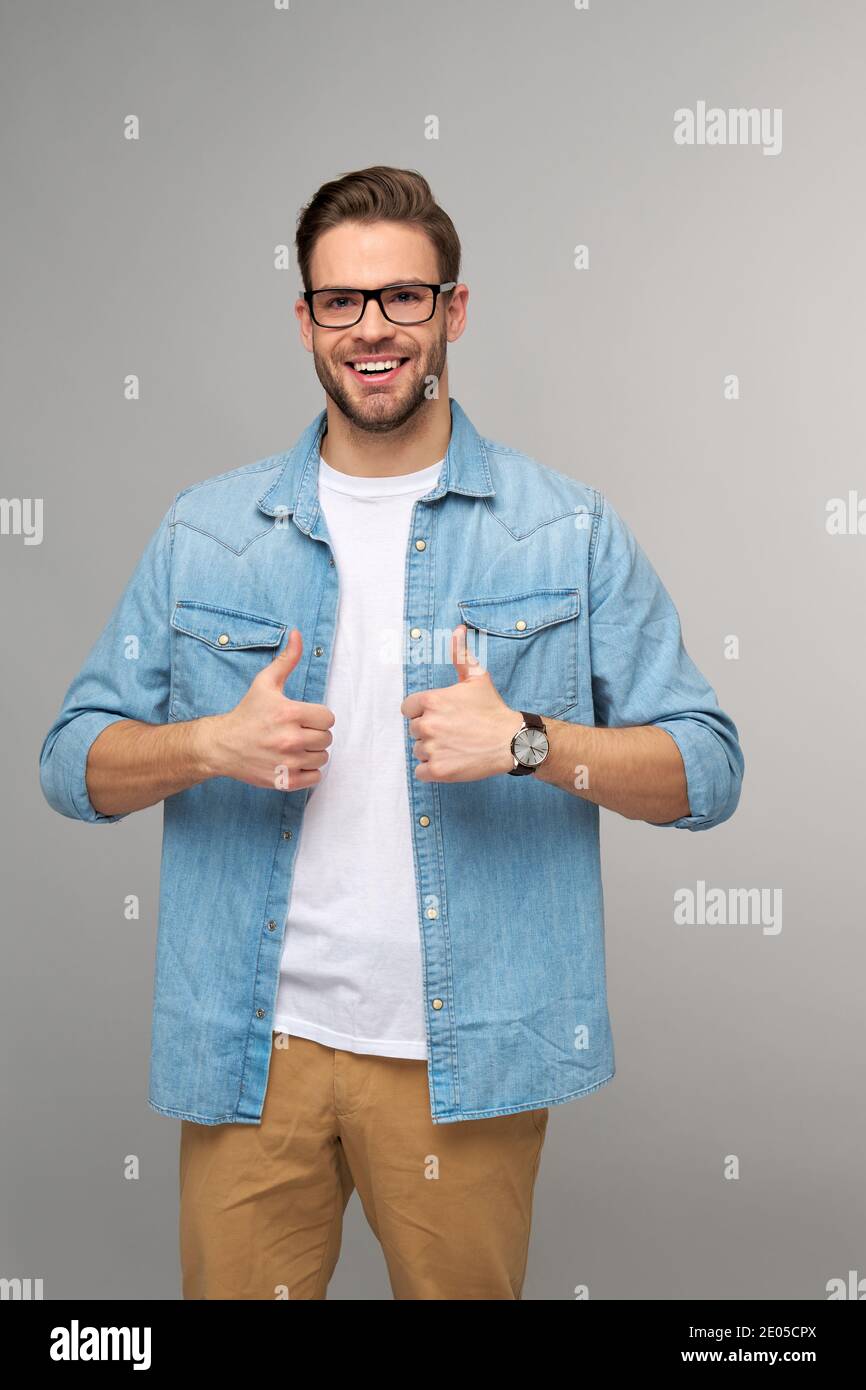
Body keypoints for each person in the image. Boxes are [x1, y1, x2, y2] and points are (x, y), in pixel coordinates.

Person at [39, 164, 745, 1300]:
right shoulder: (207, 532)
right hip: (251, 1058)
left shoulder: (560, 530)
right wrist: (206, 746)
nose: (372, 330)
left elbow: (707, 769)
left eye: (403, 298)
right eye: (340, 301)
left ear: (451, 310)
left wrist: (525, 740)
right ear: (306, 318)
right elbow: (70, 764)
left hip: (462, 1061)